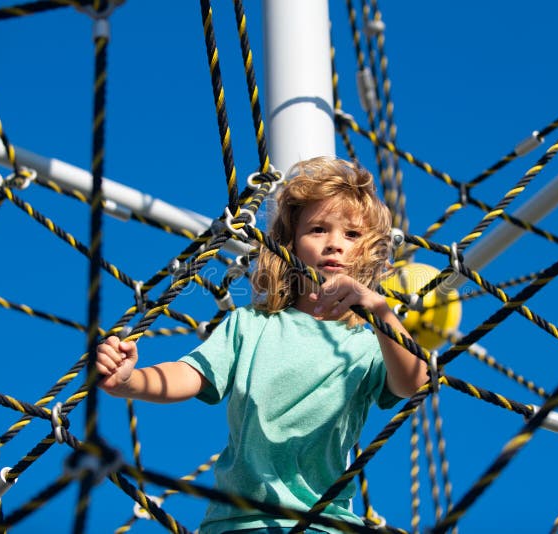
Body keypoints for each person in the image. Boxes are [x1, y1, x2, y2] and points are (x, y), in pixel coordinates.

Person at [96, 156, 428, 533]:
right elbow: (190, 375)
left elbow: (414, 383)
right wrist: (128, 381)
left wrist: (379, 309)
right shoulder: (251, 325)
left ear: (367, 252)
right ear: (291, 244)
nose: (335, 244)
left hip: (325, 522)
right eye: (318, 229)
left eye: (352, 235)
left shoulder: (367, 344)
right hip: (238, 522)